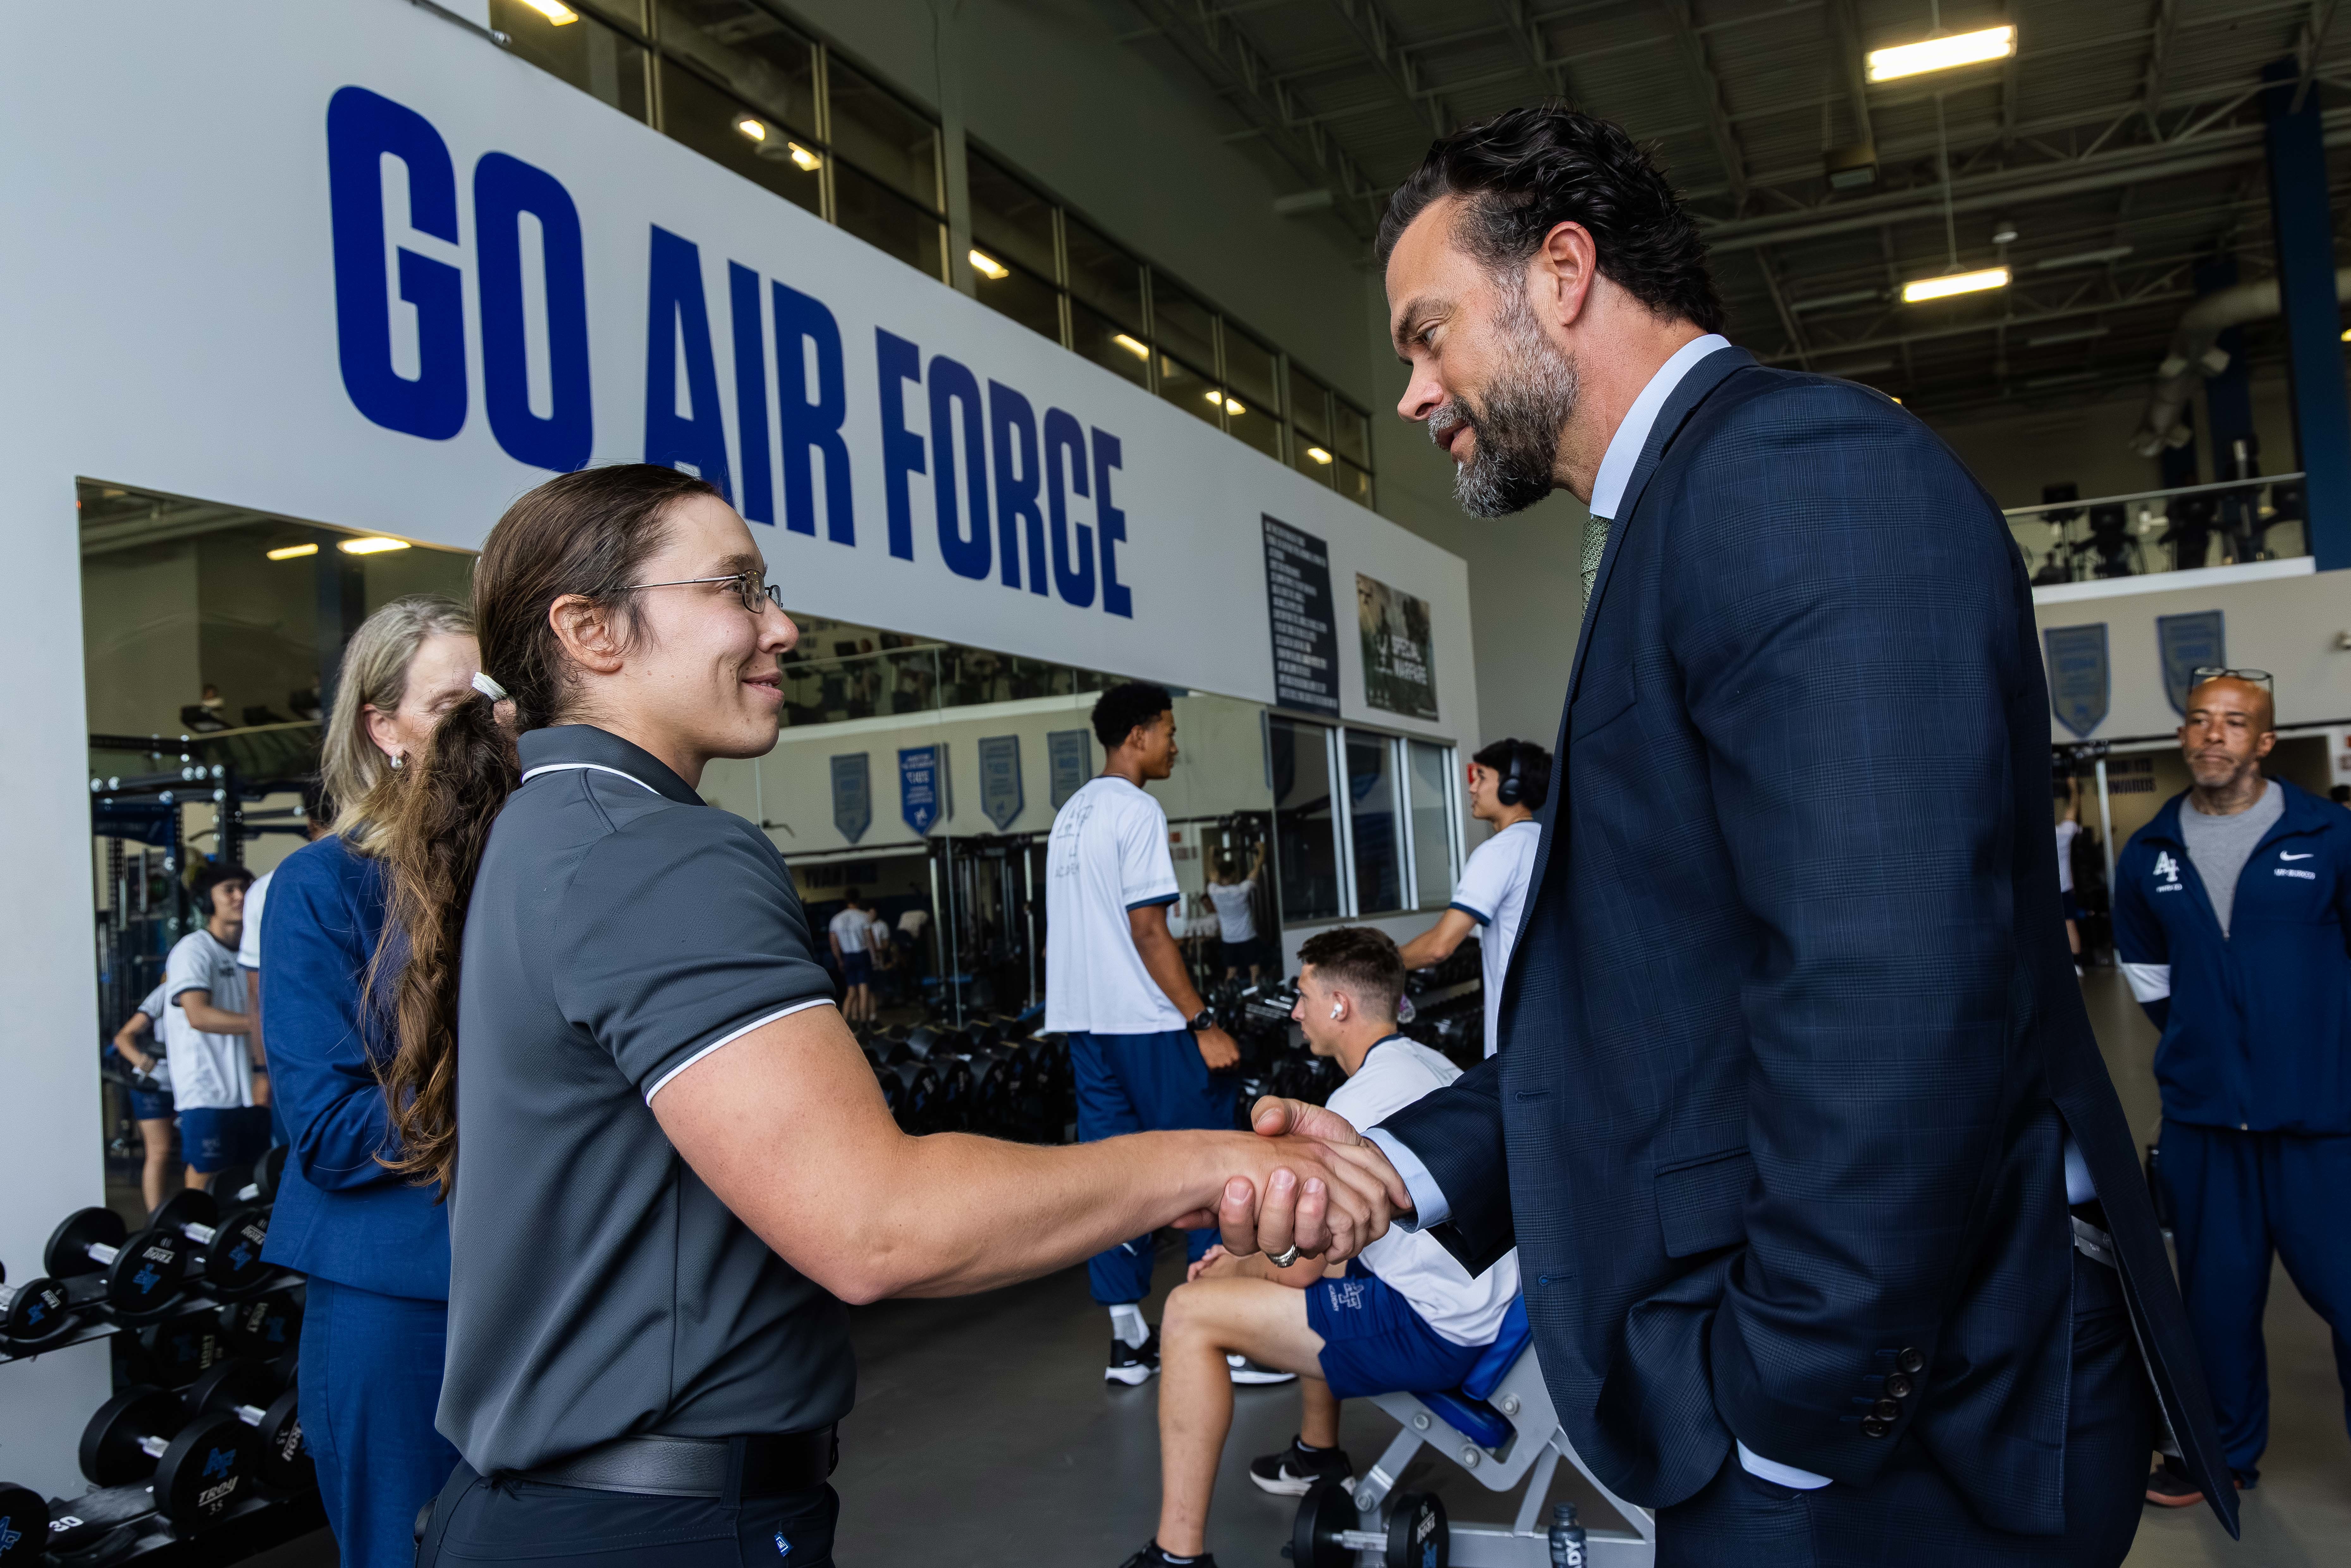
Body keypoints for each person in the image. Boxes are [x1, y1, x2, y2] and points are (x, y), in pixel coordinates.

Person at [1240, 107, 2233, 1563]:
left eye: (1426, 333)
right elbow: (1678, 1000)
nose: (1412, 393)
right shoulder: (1688, 513)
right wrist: (1405, 1166)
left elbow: (1893, 988)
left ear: (1563, 271)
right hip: (1846, 1413)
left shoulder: (1796, 477)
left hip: (1897, 1424)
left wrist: (1785, 1414)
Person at [379, 466, 1399, 1568]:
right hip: (655, 1529)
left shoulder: (541, 826)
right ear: (590, 630)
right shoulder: (648, 847)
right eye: (737, 589)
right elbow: (876, 1226)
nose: (783, 625)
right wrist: (1211, 1167)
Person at [1133, 928, 1519, 1568]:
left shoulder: (1357, 1106)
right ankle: (1318, 1452)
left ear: (1339, 1005)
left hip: (1446, 1325)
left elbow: (1301, 1263)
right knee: (1314, 1266)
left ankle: (1176, 1555)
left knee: (1189, 1311)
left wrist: (1233, 1262)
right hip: (1492, 1294)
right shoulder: (1430, 1063)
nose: (1294, 1009)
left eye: (1304, 993)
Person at [258, 596, 475, 1568]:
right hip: (402, 1300)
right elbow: (332, 1130)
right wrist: (510, 1081)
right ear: (383, 728)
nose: (487, 727)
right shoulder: (325, 888)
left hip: (550, 1287)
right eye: (452, 704)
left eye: (498, 701)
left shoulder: (533, 869)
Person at [2114, 673, 2351, 1508]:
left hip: (2322, 1121)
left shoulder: (2328, 837)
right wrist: (2211, 1048)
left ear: (2263, 743)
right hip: (2205, 1126)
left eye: (2234, 723)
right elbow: (2145, 978)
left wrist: (2304, 1049)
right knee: (2213, 1310)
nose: (2212, 735)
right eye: (2199, 721)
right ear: (2184, 737)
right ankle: (2218, 1458)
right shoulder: (2147, 855)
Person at [1046, 682, 1250, 1385]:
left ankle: (1129, 1341)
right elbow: (1148, 929)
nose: (1174, 741)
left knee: (1115, 1183)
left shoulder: (1072, 813)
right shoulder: (1135, 808)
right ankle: (1226, 1330)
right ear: (1135, 735)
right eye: (1167, 728)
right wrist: (1202, 1021)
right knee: (1208, 1165)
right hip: (1147, 1024)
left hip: (1087, 1026)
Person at [1395, 738, 1549, 1057]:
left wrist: (1381, 962)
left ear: (1510, 787)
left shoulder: (1499, 851)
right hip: (1550, 1024)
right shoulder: (1545, 843)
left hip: (1517, 1039)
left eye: (1480, 777)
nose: (1471, 788)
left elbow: (1439, 947)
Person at [238, 779, 334, 1147]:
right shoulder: (274, 886)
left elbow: (256, 992)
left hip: (302, 1061)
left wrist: (263, 1070)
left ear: (310, 822)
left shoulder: (270, 886)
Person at [163, 862, 267, 1190]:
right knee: (206, 1179)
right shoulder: (193, 950)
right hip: (207, 1092)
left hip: (248, 1092)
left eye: (246, 888)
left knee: (249, 1182)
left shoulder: (252, 952)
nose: (241, 896)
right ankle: (196, 1243)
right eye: (229, 890)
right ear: (207, 902)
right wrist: (266, 1026)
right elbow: (199, 1016)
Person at [108, 983, 176, 1212]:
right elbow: (124, 1037)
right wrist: (141, 1061)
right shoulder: (167, 990)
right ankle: (156, 1219)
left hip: (200, 1082)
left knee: (201, 1155)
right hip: (157, 1082)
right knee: (160, 1151)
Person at [1204, 842, 1268, 981]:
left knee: (1231, 972)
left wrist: (1210, 854)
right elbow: (1257, 868)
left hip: (1229, 939)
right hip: (1247, 937)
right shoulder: (1242, 890)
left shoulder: (1213, 891)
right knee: (1254, 969)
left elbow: (1211, 873)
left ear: (1220, 876)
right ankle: (1255, 998)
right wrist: (1262, 850)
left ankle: (1228, 1000)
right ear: (1234, 874)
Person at [829, 888, 876, 1029]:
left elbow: (834, 944)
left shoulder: (836, 919)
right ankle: (863, 1025)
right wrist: (874, 958)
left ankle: (843, 1025)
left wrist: (839, 960)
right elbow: (870, 940)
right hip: (862, 955)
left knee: (851, 992)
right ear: (858, 901)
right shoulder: (864, 916)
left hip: (848, 956)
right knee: (864, 990)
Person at [2055, 777, 2084, 973]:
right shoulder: (2062, 834)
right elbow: (2073, 809)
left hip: (2045, 891)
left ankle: (2071, 964)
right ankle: (2077, 965)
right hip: (2063, 889)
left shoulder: (2033, 839)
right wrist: (2074, 789)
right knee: (2069, 924)